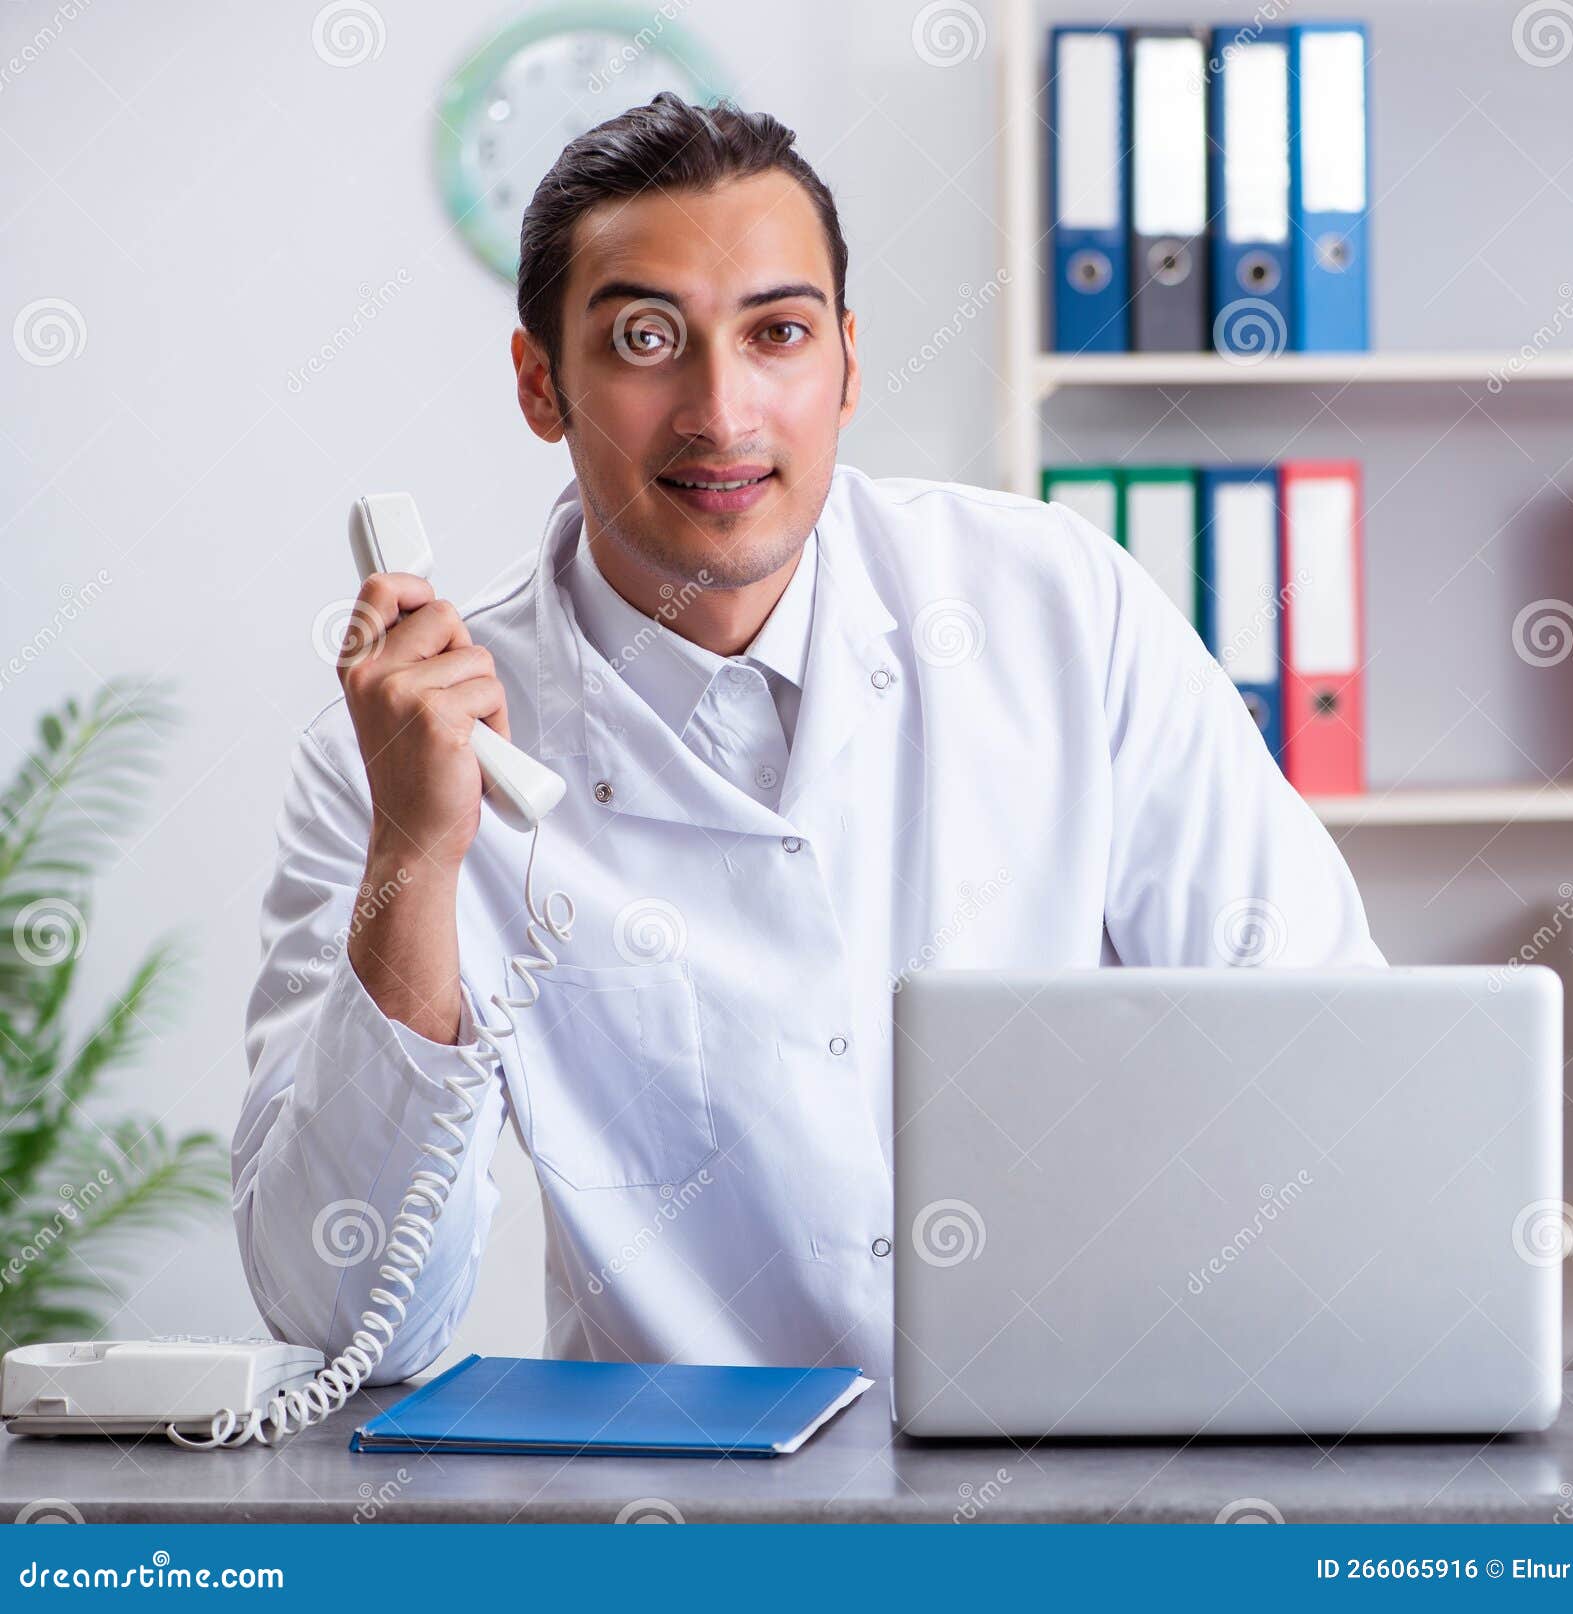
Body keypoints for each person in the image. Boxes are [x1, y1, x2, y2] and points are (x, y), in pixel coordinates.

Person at [235, 93, 1384, 1387]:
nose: (721, 412)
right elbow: (346, 1325)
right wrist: (421, 858)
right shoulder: (390, 756)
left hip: (1078, 1467)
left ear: (847, 361)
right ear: (540, 385)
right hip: (685, 1525)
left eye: (776, 332)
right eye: (646, 338)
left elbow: (1323, 1077)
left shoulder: (1066, 608)